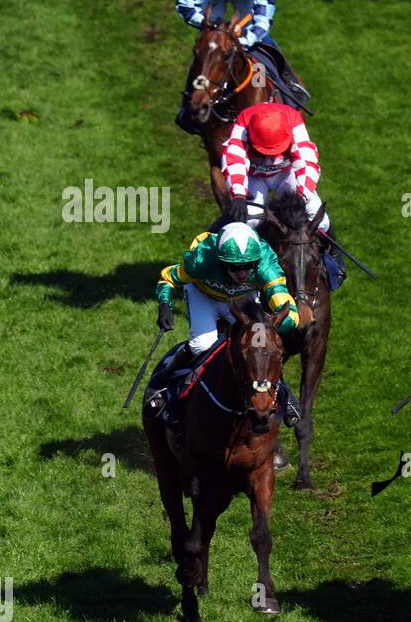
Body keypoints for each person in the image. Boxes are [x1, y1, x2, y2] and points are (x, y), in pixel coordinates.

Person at [145, 222, 302, 425]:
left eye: (248, 265)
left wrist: (271, 325)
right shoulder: (201, 260)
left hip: (241, 301)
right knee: (202, 344)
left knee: (261, 346)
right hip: (204, 297)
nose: (242, 273)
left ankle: (284, 395)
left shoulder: (265, 266)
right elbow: (168, 278)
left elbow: (289, 312)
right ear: (220, 261)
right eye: (235, 266)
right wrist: (165, 304)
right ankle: (161, 383)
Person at [175, 0, 308, 131]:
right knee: (209, 49)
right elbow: (185, 6)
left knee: (261, 44)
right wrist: (212, 26)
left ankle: (289, 84)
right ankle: (188, 103)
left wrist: (242, 41)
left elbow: (263, 22)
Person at [220, 101, 343, 289]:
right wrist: (238, 195)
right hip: (254, 176)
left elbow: (306, 160)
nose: (270, 156)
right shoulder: (243, 122)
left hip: (284, 174)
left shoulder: (294, 121)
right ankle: (246, 266)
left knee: (318, 214)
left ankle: (333, 256)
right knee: (249, 220)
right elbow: (234, 157)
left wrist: (302, 193)